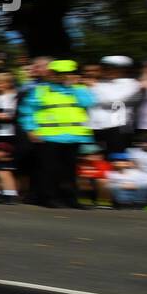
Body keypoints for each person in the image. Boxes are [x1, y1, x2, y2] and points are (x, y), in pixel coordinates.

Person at [19, 59, 94, 209]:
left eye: (69, 73)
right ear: (52, 74)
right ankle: (49, 198)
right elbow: (27, 111)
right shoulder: (40, 90)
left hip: (74, 136)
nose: (64, 76)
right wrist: (31, 129)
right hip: (49, 136)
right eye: (60, 74)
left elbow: (88, 102)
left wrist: (74, 87)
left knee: (70, 171)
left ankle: (71, 199)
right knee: (49, 170)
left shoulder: (79, 90)